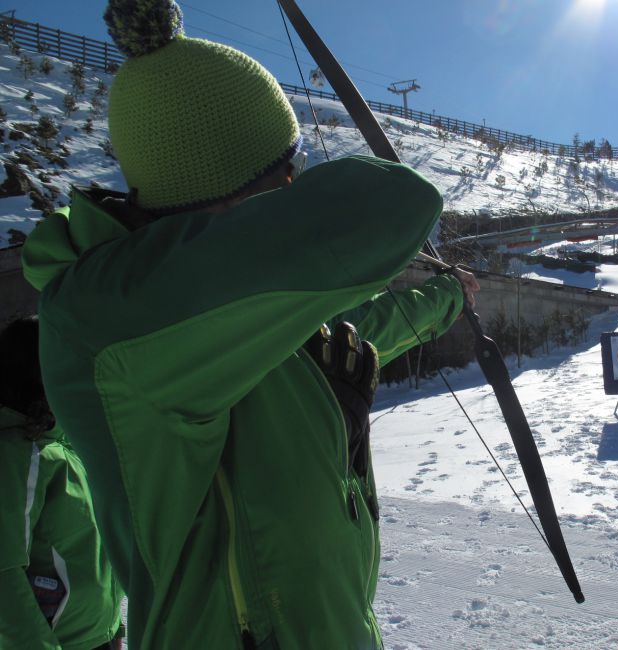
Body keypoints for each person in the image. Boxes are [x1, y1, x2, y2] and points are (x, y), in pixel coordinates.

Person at [22, 1, 476, 648]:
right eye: (287, 169)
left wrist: (448, 297)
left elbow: (358, 328)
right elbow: (396, 204)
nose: (296, 182)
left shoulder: (225, 312)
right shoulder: (108, 320)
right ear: (228, 193)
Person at [0, 317, 124, 650]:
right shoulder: (14, 455)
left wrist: (114, 628)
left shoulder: (64, 444)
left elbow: (91, 548)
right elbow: (4, 575)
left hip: (95, 637)